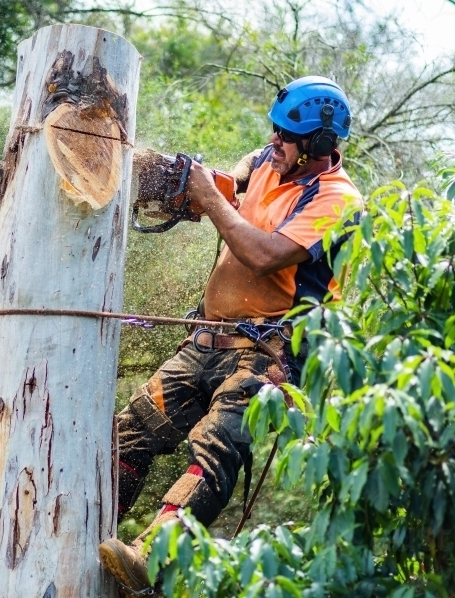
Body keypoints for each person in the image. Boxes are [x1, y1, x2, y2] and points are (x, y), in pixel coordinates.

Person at [98, 76, 363, 594]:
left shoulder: (339, 200)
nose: (275, 141)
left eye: (288, 136)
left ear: (321, 144)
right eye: (275, 130)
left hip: (268, 358)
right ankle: (83, 526)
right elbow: (223, 193)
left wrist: (210, 201)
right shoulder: (263, 161)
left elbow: (263, 254)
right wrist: (172, 180)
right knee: (126, 436)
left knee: (215, 451)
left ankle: (153, 556)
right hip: (206, 339)